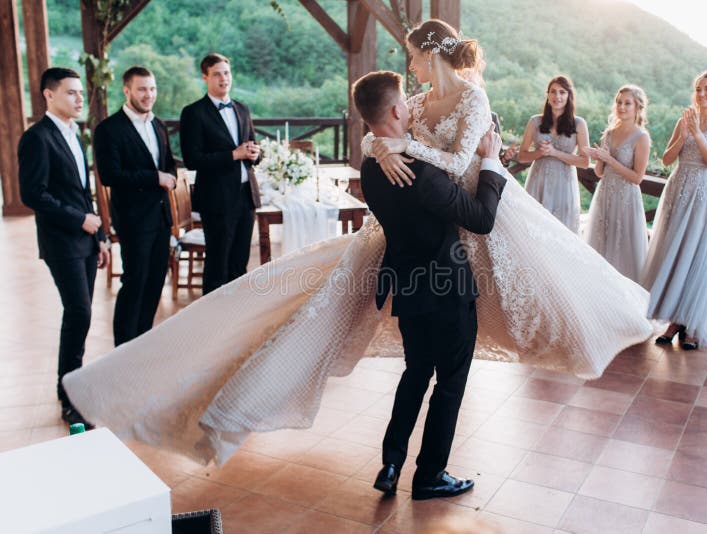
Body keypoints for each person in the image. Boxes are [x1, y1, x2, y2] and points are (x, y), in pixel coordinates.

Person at [63, 20, 653, 466]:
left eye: (415, 57)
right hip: (439, 227)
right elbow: (385, 131)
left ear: (433, 52)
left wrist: (404, 150)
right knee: (318, 310)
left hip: (463, 219)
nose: (413, 68)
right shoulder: (416, 103)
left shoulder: (474, 100)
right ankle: (239, 405)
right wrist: (379, 147)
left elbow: (447, 157)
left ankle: (390, 457)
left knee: (541, 304)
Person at [355, 71, 506, 500]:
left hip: (408, 287)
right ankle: (430, 475)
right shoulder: (423, 173)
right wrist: (491, 163)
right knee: (451, 381)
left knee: (416, 373)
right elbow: (482, 219)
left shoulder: (370, 167)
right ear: (399, 110)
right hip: (449, 288)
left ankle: (390, 463)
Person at [18, 67, 111, 429]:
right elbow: (33, 194)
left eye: (79, 93)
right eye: (71, 93)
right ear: (48, 95)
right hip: (61, 241)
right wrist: (79, 221)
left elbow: (81, 193)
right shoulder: (37, 138)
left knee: (80, 315)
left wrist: (99, 236)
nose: (79, 99)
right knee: (79, 313)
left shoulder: (75, 135)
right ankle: (69, 396)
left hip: (85, 239)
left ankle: (73, 385)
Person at [640, 71, 707, 350]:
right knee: (674, 251)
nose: (702, 94)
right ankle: (674, 319)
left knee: (696, 254)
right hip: (678, 189)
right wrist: (684, 135)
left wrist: (697, 133)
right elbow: (668, 158)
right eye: (698, 89)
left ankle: (691, 324)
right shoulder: (684, 118)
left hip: (703, 193)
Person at [94, 66, 177, 346]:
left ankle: (142, 343)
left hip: (161, 217)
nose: (148, 95)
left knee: (155, 282)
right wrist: (156, 178)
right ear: (126, 90)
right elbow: (110, 174)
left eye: (152, 89)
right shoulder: (109, 129)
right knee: (135, 282)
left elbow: (169, 164)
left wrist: (171, 177)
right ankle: (123, 349)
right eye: (142, 89)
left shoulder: (158, 124)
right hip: (133, 218)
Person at [180, 53, 261, 294]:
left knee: (239, 263)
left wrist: (256, 153)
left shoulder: (242, 108)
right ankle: (213, 323)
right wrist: (233, 155)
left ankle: (236, 321)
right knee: (217, 265)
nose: (223, 78)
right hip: (216, 199)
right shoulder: (193, 113)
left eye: (226, 73)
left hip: (246, 197)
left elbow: (253, 146)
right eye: (217, 74)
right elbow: (192, 159)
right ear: (205, 77)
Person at [583, 84, 650, 282]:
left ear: (637, 107)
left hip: (626, 198)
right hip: (605, 195)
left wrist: (610, 159)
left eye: (627, 103)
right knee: (601, 242)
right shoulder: (610, 133)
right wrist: (599, 157)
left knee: (622, 248)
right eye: (619, 102)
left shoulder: (642, 137)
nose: (621, 107)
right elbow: (599, 172)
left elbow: (637, 178)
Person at [514, 75, 590, 233]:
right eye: (553, 92)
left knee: (561, 231)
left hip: (564, 184)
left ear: (569, 96)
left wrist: (554, 152)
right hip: (539, 181)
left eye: (562, 92)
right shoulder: (535, 122)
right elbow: (522, 156)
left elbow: (584, 162)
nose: (557, 96)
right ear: (547, 95)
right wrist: (540, 152)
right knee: (534, 228)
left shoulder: (579, 124)